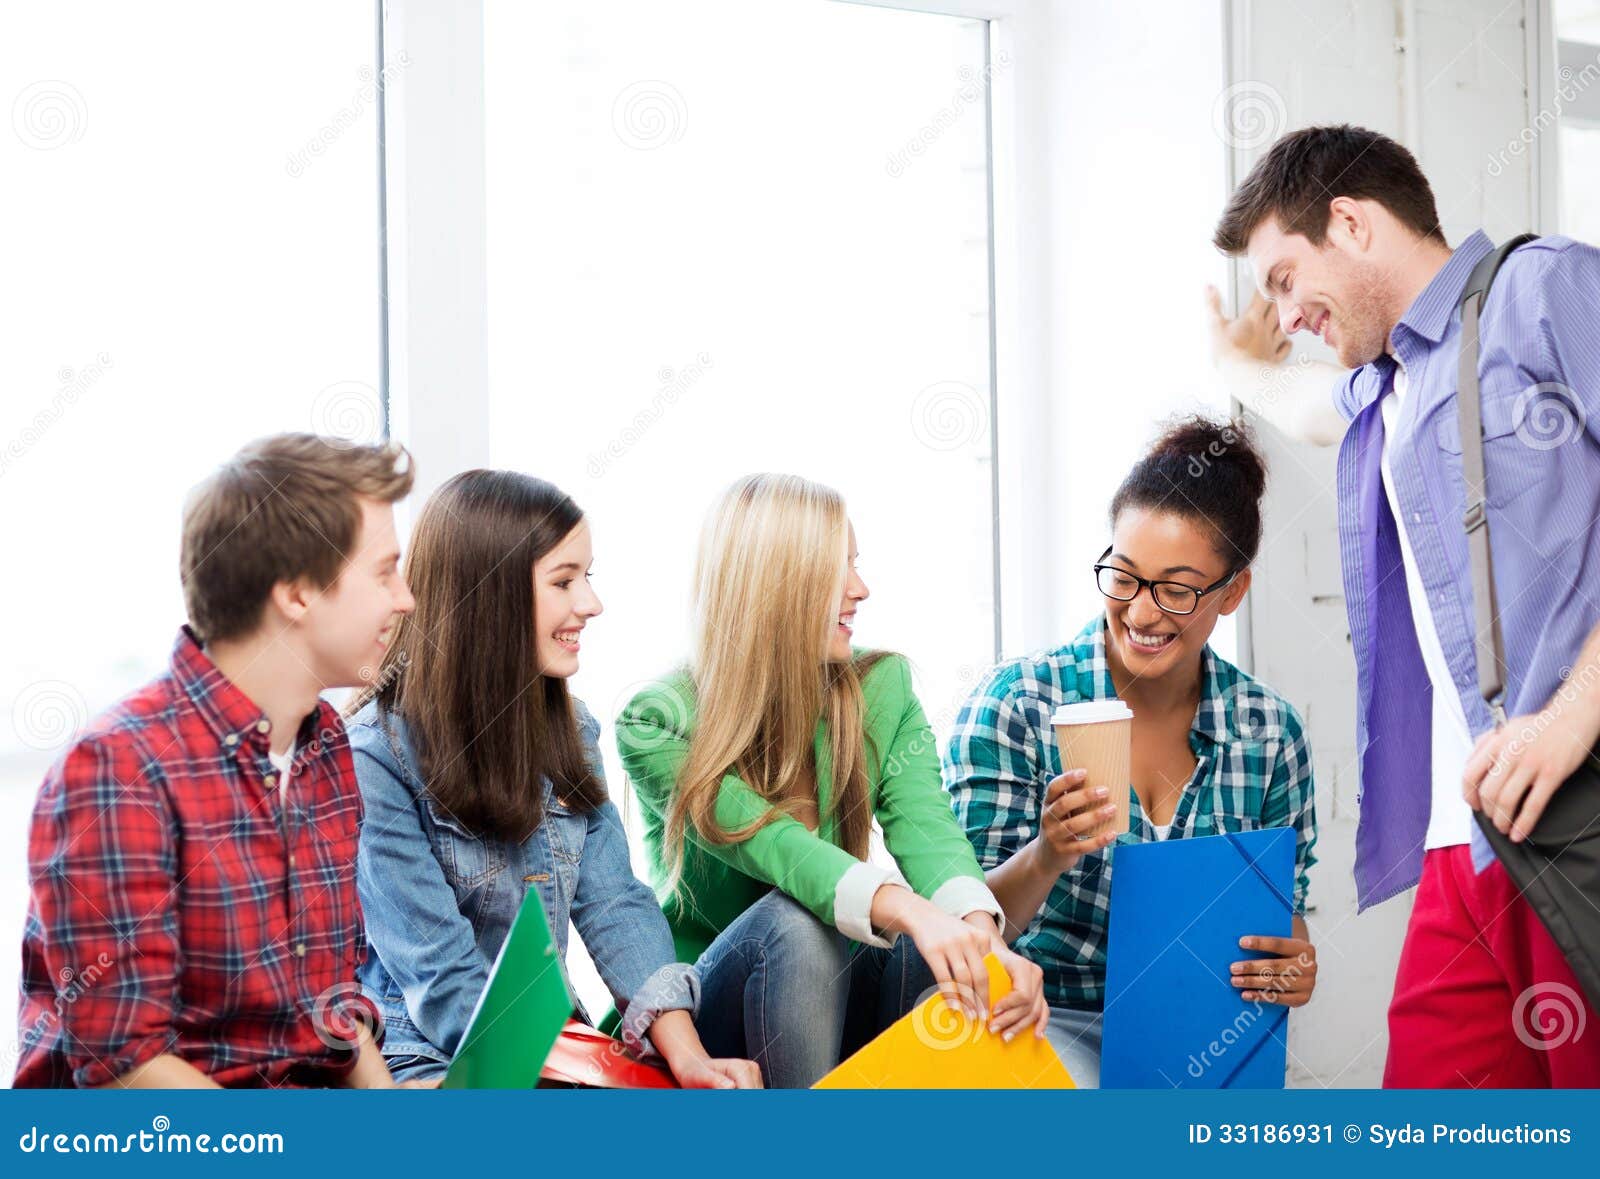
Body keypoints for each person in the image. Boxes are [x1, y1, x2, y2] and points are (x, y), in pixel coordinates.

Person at [1208, 123, 1600, 1086]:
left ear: (1350, 221)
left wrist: (1570, 717)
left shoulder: (1543, 289)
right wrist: (1231, 361)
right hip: (1464, 842)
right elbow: (1301, 404)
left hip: (1575, 808)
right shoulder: (1385, 390)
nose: (1287, 310)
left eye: (1286, 278)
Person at [617, 473, 1048, 1088]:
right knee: (800, 918)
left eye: (855, 563)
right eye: (835, 570)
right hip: (711, 1017)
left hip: (837, 1000)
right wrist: (911, 909)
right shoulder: (657, 721)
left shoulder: (882, 687)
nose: (860, 589)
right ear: (774, 587)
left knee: (928, 947)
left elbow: (928, 828)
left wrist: (984, 942)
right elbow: (780, 850)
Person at [16, 434, 415, 1088]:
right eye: (384, 571)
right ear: (297, 593)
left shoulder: (326, 747)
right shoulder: (119, 768)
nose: (406, 599)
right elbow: (126, 1064)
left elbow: (334, 1007)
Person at [346, 470, 759, 1088]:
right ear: (489, 596)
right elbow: (444, 982)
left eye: (588, 577)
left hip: (556, 1048)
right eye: (564, 581)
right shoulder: (375, 758)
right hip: (433, 1059)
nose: (591, 604)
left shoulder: (572, 730)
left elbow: (616, 904)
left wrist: (689, 1058)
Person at [943, 416, 1319, 1087]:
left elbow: (1281, 911)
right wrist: (1049, 852)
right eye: (1123, 576)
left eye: (1176, 589)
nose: (1142, 613)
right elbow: (956, 927)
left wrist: (1294, 962)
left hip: (1199, 1032)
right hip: (1039, 1017)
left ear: (1232, 591)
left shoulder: (1270, 733)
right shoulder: (1019, 704)